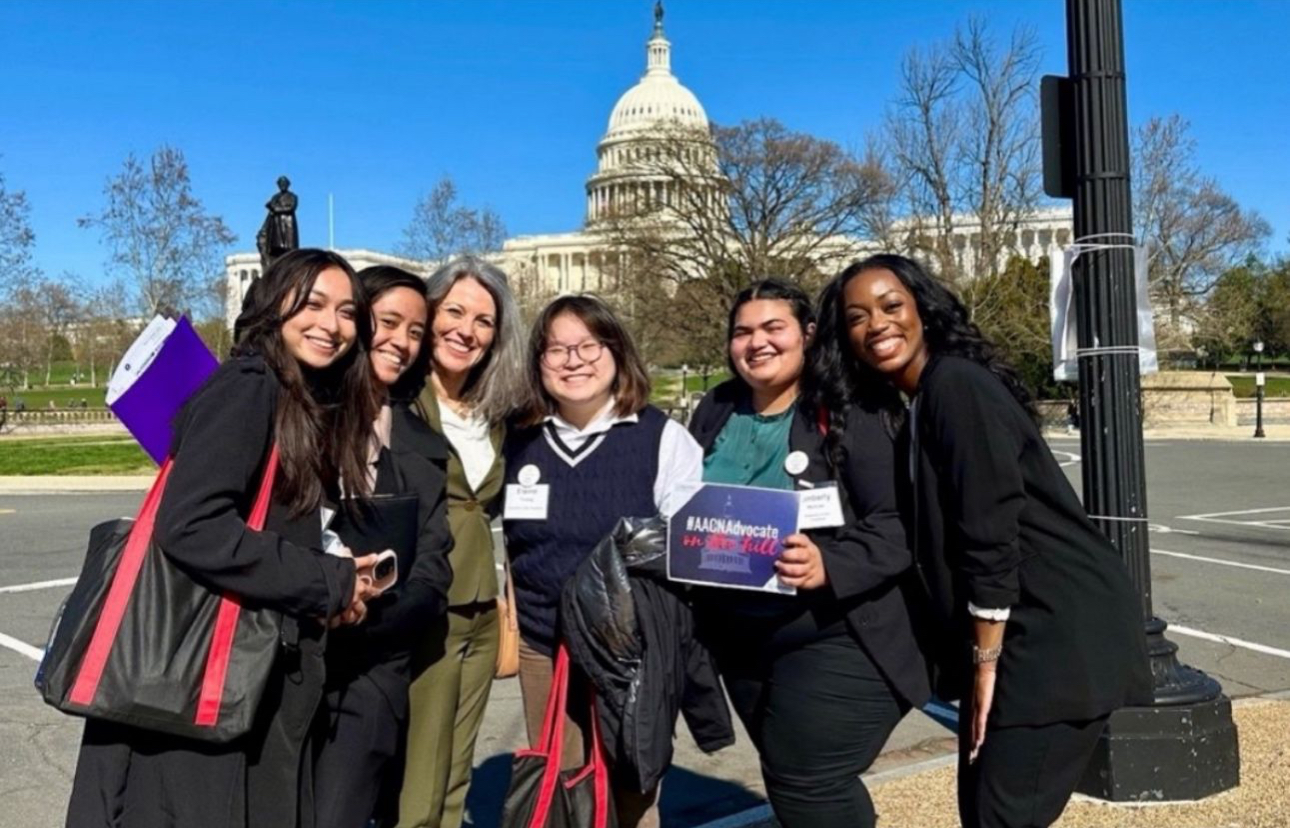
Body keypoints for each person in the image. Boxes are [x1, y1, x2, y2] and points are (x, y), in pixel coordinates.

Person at [815, 254, 1151, 828]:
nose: (877, 325)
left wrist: (986, 662)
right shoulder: (923, 399)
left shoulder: (956, 386)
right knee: (985, 811)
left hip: (1054, 635)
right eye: (857, 317)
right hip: (1023, 631)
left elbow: (989, 527)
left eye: (891, 306)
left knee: (1000, 815)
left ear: (923, 309)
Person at [65, 248, 385, 828]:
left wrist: (330, 579)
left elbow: (261, 524)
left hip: (240, 678)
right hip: (205, 681)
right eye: (313, 303)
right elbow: (192, 524)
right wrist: (326, 580)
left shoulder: (297, 399)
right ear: (272, 306)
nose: (332, 325)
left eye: (347, 312)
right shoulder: (249, 385)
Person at [687, 280, 928, 828]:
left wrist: (829, 564)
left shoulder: (852, 408)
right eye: (743, 332)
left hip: (840, 631)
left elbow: (900, 523)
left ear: (808, 335)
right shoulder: (717, 407)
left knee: (809, 778)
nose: (758, 343)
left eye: (774, 328)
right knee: (786, 774)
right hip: (740, 638)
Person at [504, 294, 704, 828]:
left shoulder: (662, 438)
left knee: (632, 786)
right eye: (556, 349)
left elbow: (689, 545)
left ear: (616, 351)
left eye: (588, 345)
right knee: (564, 785)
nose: (573, 360)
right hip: (545, 648)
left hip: (628, 654)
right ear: (538, 362)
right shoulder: (518, 440)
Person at [311, 266, 454, 828]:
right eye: (389, 322)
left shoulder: (423, 449)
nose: (402, 341)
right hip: (286, 665)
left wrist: (363, 614)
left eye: (417, 333)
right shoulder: (297, 416)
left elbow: (432, 575)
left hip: (369, 673)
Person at [398, 257, 528, 828]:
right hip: (427, 603)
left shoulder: (493, 409)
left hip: (480, 608)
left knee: (457, 767)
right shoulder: (399, 399)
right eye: (453, 310)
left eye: (483, 320)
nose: (466, 330)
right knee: (420, 770)